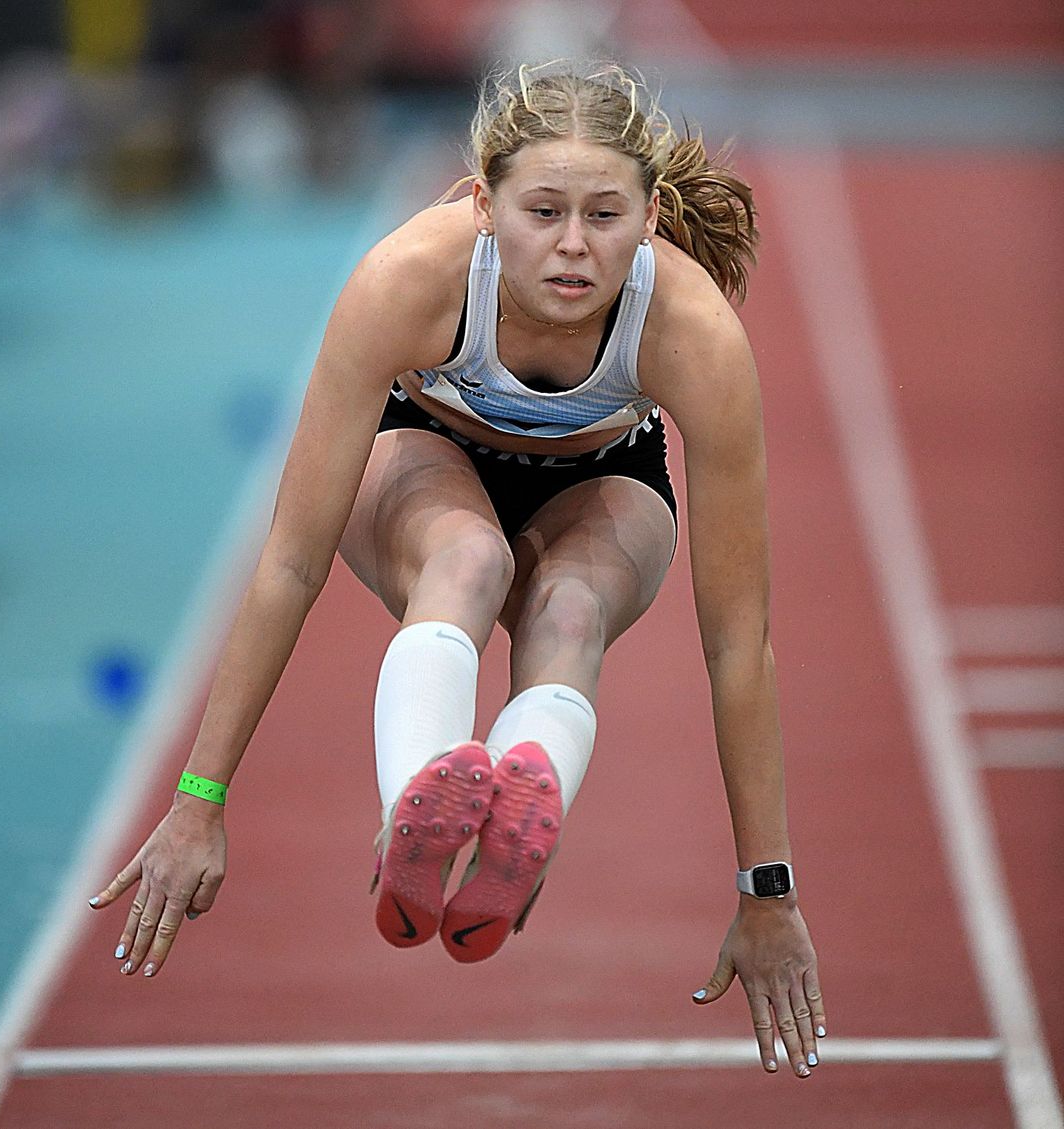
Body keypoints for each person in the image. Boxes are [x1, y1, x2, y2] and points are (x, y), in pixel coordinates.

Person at [88, 61, 826, 1079]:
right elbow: (293, 559)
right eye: (544, 211)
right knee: (468, 556)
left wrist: (769, 889)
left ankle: (517, 817)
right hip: (424, 447)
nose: (574, 245)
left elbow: (738, 639)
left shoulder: (693, 332)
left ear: (651, 214)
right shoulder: (413, 278)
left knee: (571, 605)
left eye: (606, 216)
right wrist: (200, 795)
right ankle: (417, 823)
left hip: (605, 476)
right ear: (484, 204)